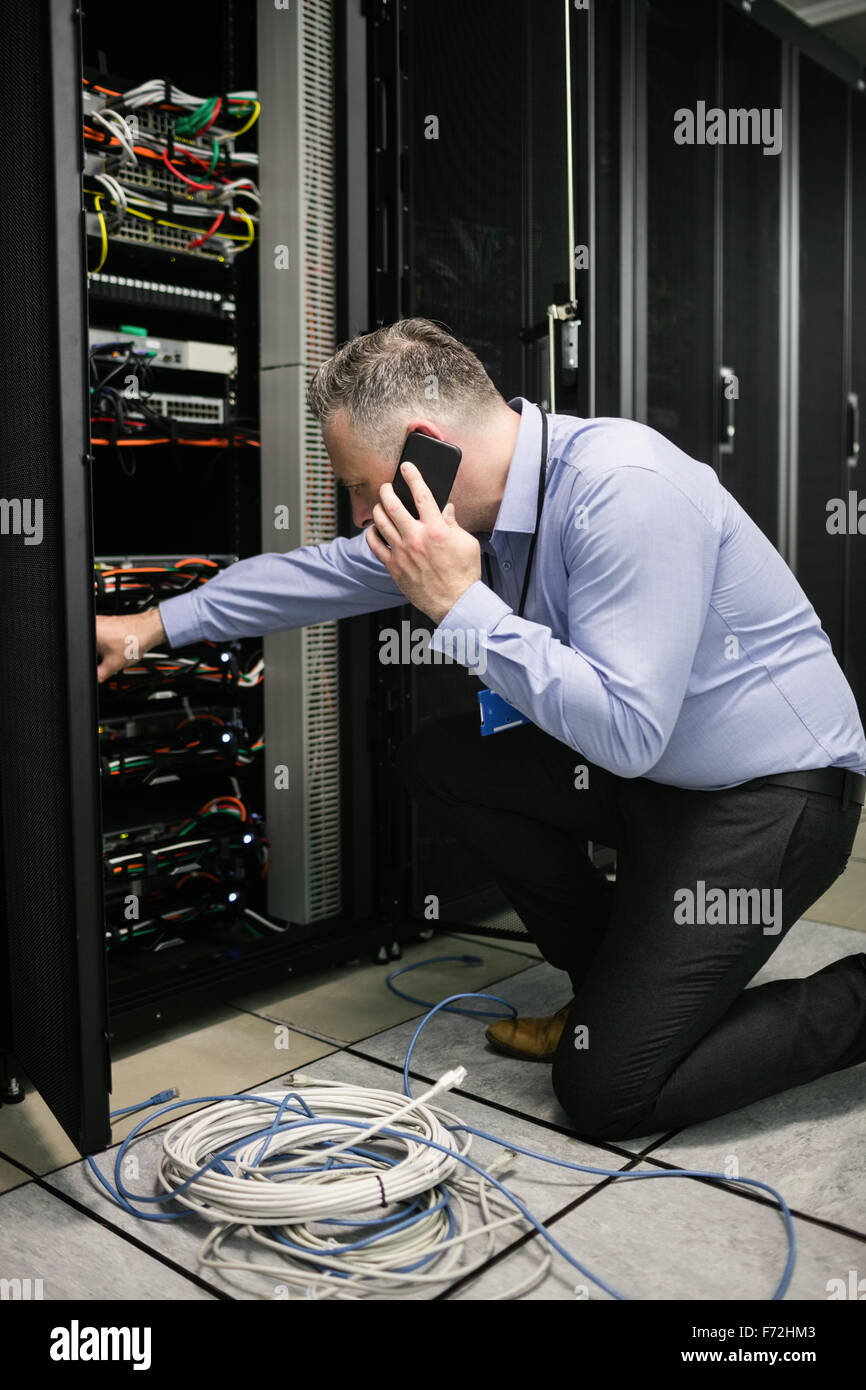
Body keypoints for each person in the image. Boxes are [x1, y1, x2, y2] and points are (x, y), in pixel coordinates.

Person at [96, 317, 866, 1142]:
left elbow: (630, 733)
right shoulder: (463, 516)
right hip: (654, 778)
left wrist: (461, 605)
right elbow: (315, 575)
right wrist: (149, 626)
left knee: (610, 1091)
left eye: (360, 486)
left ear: (427, 448)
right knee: (442, 759)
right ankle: (608, 984)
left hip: (771, 795)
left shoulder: (622, 486)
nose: (359, 516)